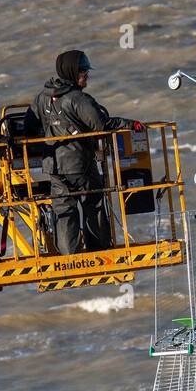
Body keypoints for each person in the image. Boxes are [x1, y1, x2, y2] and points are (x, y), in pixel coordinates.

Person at [32, 49, 143, 255]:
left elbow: (29, 126)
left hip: (53, 167)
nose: (86, 75)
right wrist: (130, 123)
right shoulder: (78, 99)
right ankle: (99, 247)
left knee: (64, 207)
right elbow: (101, 125)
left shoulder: (42, 98)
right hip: (80, 164)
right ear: (72, 72)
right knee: (94, 200)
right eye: (83, 71)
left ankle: (69, 255)